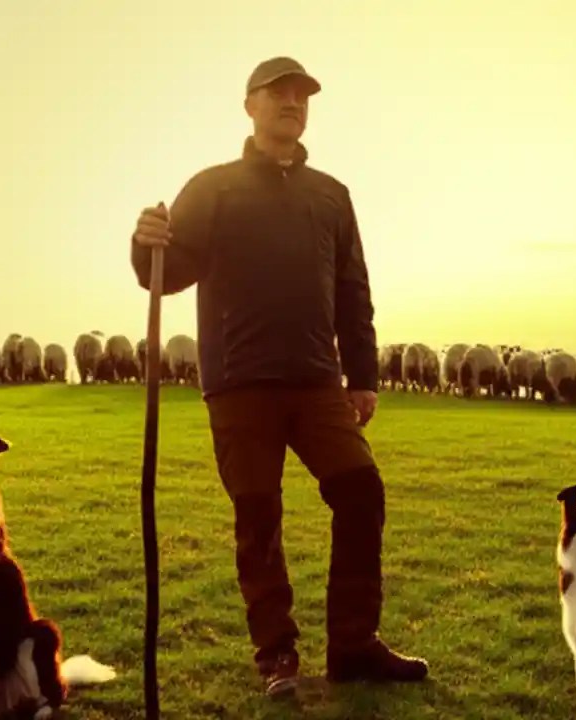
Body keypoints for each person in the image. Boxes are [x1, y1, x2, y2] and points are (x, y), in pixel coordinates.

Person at [129, 56, 428, 697]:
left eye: (301, 95)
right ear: (250, 106)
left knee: (361, 493)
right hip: (240, 382)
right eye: (278, 93)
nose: (292, 102)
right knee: (259, 517)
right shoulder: (213, 187)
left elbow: (353, 288)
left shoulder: (331, 194)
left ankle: (353, 645)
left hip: (319, 379)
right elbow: (169, 271)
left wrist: (364, 375)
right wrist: (145, 240)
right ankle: (277, 658)